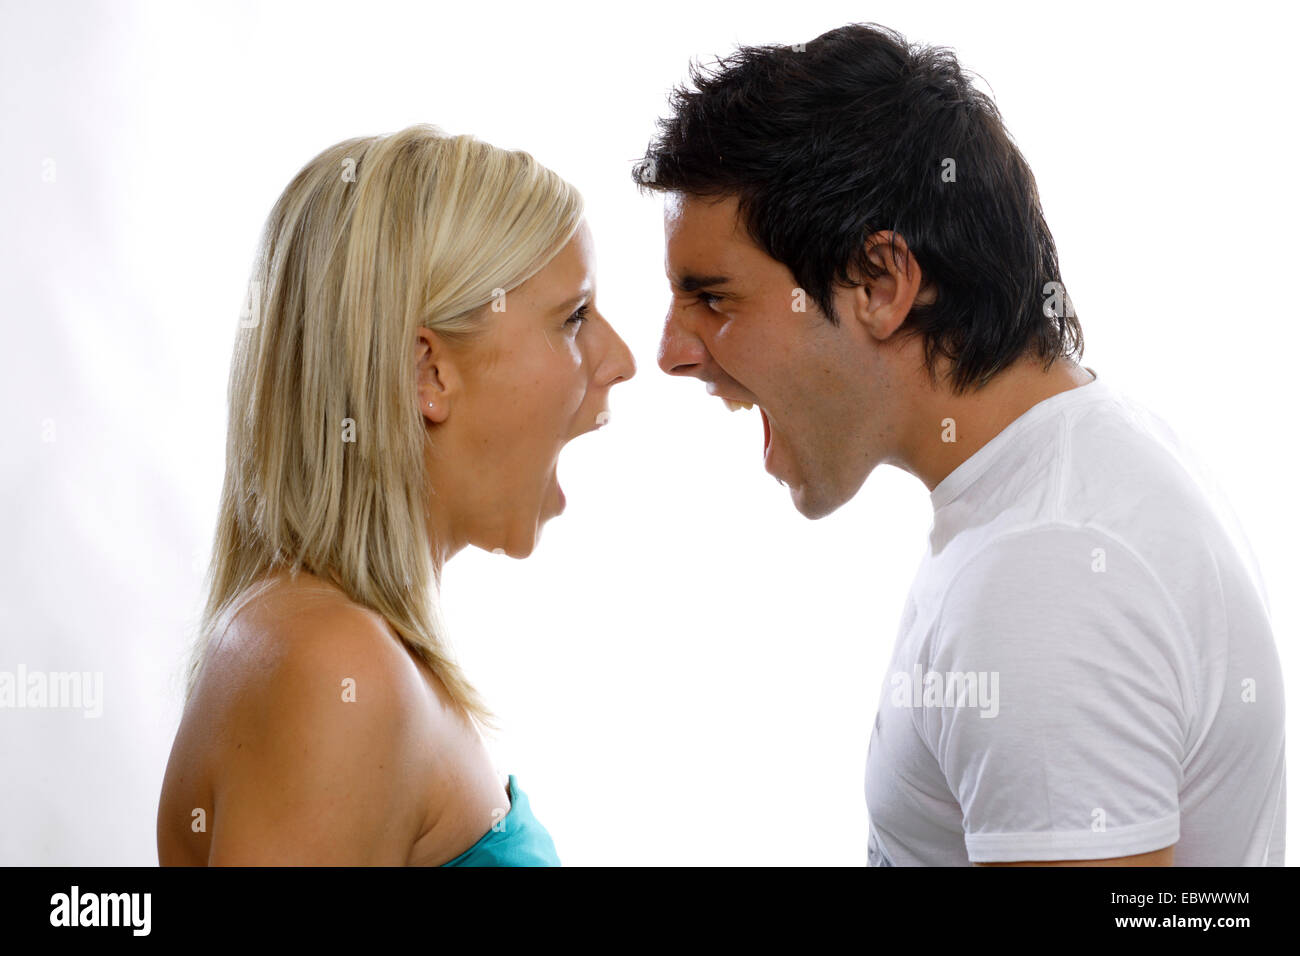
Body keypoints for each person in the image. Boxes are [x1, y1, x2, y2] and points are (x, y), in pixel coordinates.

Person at [632, 23, 1284, 866]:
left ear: (880, 283)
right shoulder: (1076, 475)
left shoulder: (1046, 576)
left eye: (713, 297)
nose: (671, 351)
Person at [157, 125, 635, 865]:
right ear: (427, 374)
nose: (621, 360)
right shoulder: (335, 669)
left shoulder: (336, 646)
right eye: (572, 317)